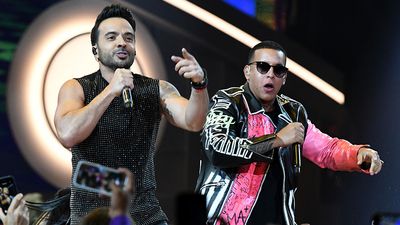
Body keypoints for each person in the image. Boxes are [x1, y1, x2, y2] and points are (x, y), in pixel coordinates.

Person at [195, 40, 383, 225]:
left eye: (278, 70)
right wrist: (276, 140)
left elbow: (326, 150)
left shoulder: (293, 112)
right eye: (263, 67)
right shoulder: (227, 102)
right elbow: (216, 148)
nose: (270, 75)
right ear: (247, 72)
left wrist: (357, 154)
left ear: (284, 77)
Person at [54, 4, 209, 225]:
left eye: (128, 37)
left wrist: (199, 84)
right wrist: (110, 91)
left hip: (145, 215)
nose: (121, 42)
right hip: (91, 217)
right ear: (95, 50)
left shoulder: (156, 89)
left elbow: (194, 122)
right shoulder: (77, 88)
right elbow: (67, 134)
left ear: (135, 48)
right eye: (111, 37)